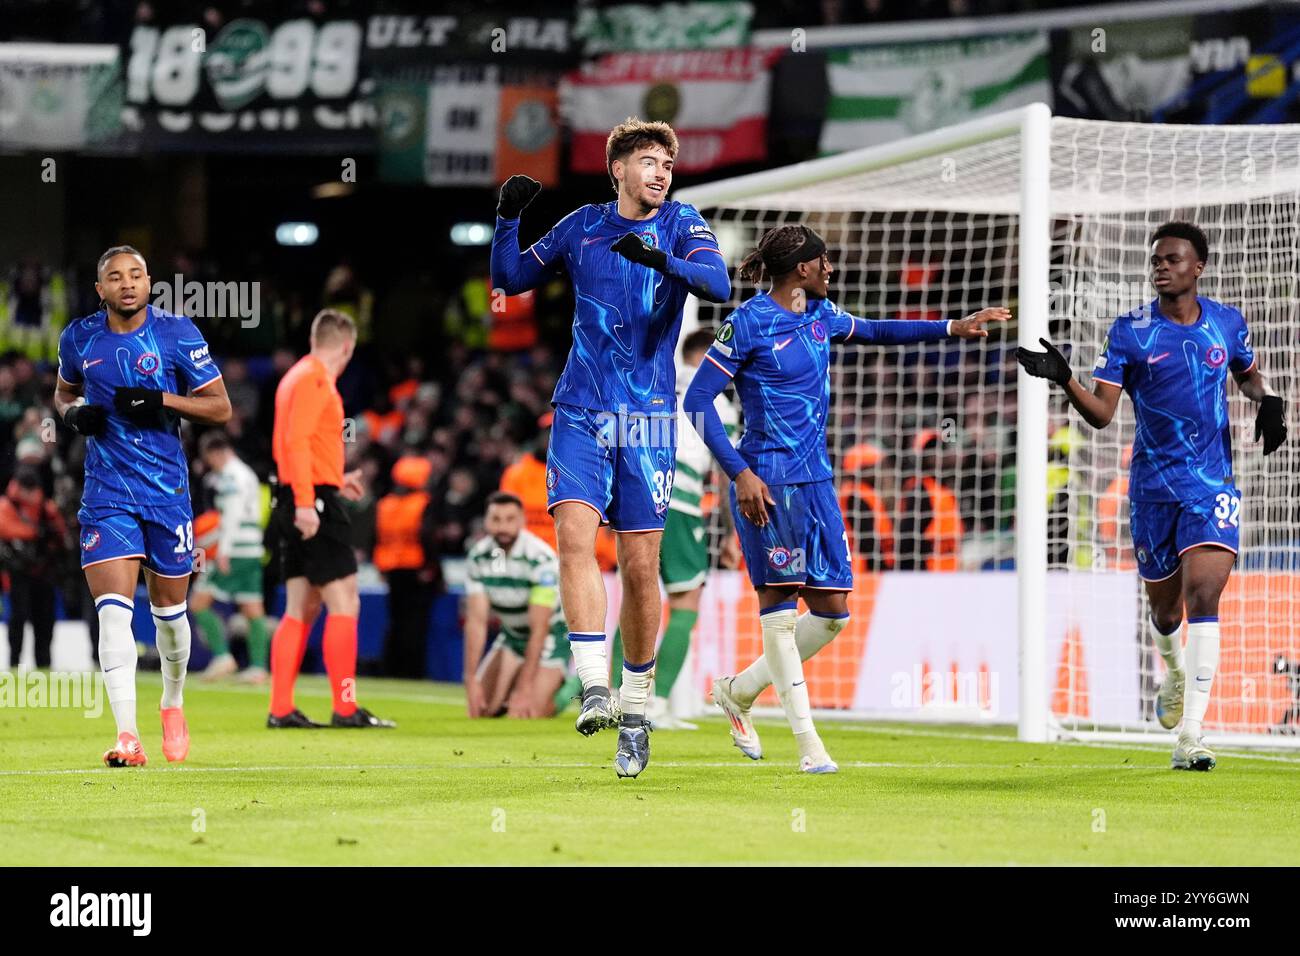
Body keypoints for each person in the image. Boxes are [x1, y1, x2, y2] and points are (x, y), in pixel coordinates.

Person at [684, 224, 1007, 772]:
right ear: (803, 269)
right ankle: (809, 745)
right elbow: (696, 400)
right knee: (780, 612)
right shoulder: (748, 323)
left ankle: (737, 690)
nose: (831, 268)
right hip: (769, 482)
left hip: (817, 481)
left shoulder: (820, 314)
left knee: (832, 614)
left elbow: (880, 330)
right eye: (824, 261)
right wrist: (739, 473)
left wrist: (954, 326)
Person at [491, 117, 730, 777]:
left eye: (668, 165)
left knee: (641, 567)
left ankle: (636, 707)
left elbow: (719, 286)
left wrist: (664, 261)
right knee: (572, 536)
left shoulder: (682, 224)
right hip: (581, 408)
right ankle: (594, 683)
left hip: (650, 421)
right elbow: (509, 279)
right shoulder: (581, 225)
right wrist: (508, 218)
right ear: (618, 169)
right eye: (650, 162)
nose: (661, 173)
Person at [1016, 220, 1287, 771]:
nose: (1161, 265)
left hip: (1211, 486)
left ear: (1198, 267)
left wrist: (1268, 400)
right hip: (1152, 490)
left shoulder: (1227, 324)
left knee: (1204, 597)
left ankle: (1192, 736)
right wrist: (1066, 378)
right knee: (1164, 613)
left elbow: (1248, 375)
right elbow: (1101, 415)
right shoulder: (1131, 331)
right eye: (1156, 259)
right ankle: (1177, 674)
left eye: (1173, 258)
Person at [53, 245, 233, 766]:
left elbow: (219, 407)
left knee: (171, 618)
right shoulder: (79, 337)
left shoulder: (177, 333)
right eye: (115, 277)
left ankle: (172, 703)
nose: (127, 283)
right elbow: (62, 395)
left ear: (149, 282)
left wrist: (161, 401)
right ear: (100, 289)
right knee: (113, 615)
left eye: (135, 275)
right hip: (107, 495)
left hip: (167, 495)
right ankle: (127, 736)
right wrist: (72, 416)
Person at [266, 309, 394, 729]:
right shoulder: (315, 380)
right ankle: (344, 707)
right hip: (309, 502)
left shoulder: (296, 377)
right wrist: (310, 500)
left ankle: (281, 708)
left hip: (300, 495)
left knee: (301, 606)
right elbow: (297, 442)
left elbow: (296, 445)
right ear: (347, 346)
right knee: (345, 602)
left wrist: (335, 479)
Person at [610, 328, 740, 729]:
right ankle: (657, 704)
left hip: (638, 496)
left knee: (635, 596)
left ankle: (616, 697)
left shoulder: (654, 381)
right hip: (681, 502)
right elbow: (725, 476)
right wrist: (733, 534)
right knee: (685, 602)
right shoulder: (720, 402)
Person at [463, 493, 571, 719]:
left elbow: (539, 629)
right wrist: (470, 679)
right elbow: (476, 622)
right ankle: (511, 688)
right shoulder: (479, 557)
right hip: (511, 636)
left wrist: (524, 689)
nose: (503, 527)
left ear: (522, 521)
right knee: (481, 710)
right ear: (485, 521)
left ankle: (570, 687)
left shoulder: (540, 559)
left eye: (510, 519)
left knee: (528, 713)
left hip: (550, 637)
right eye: (496, 519)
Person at [191, 430, 271, 683]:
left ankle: (223, 656)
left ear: (217, 453)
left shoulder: (230, 476)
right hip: (252, 547)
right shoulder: (246, 473)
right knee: (252, 607)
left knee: (198, 603)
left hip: (235, 549)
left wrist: (223, 550)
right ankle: (258, 667)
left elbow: (233, 513)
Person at [373, 454, 437, 678]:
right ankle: (412, 670)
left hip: (391, 569)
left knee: (395, 621)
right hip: (416, 570)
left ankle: (391, 667)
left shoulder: (385, 504)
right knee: (415, 624)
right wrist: (433, 568)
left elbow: (376, 537)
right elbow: (427, 537)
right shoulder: (421, 503)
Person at [0, 465, 68, 668]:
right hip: (16, 570)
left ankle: (44, 663)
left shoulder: (46, 509)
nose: (29, 494)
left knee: (45, 620)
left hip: (43, 570)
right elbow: (6, 530)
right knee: (17, 618)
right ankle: (13, 662)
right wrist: (36, 533)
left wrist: (51, 536)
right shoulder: (7, 506)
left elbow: (61, 535)